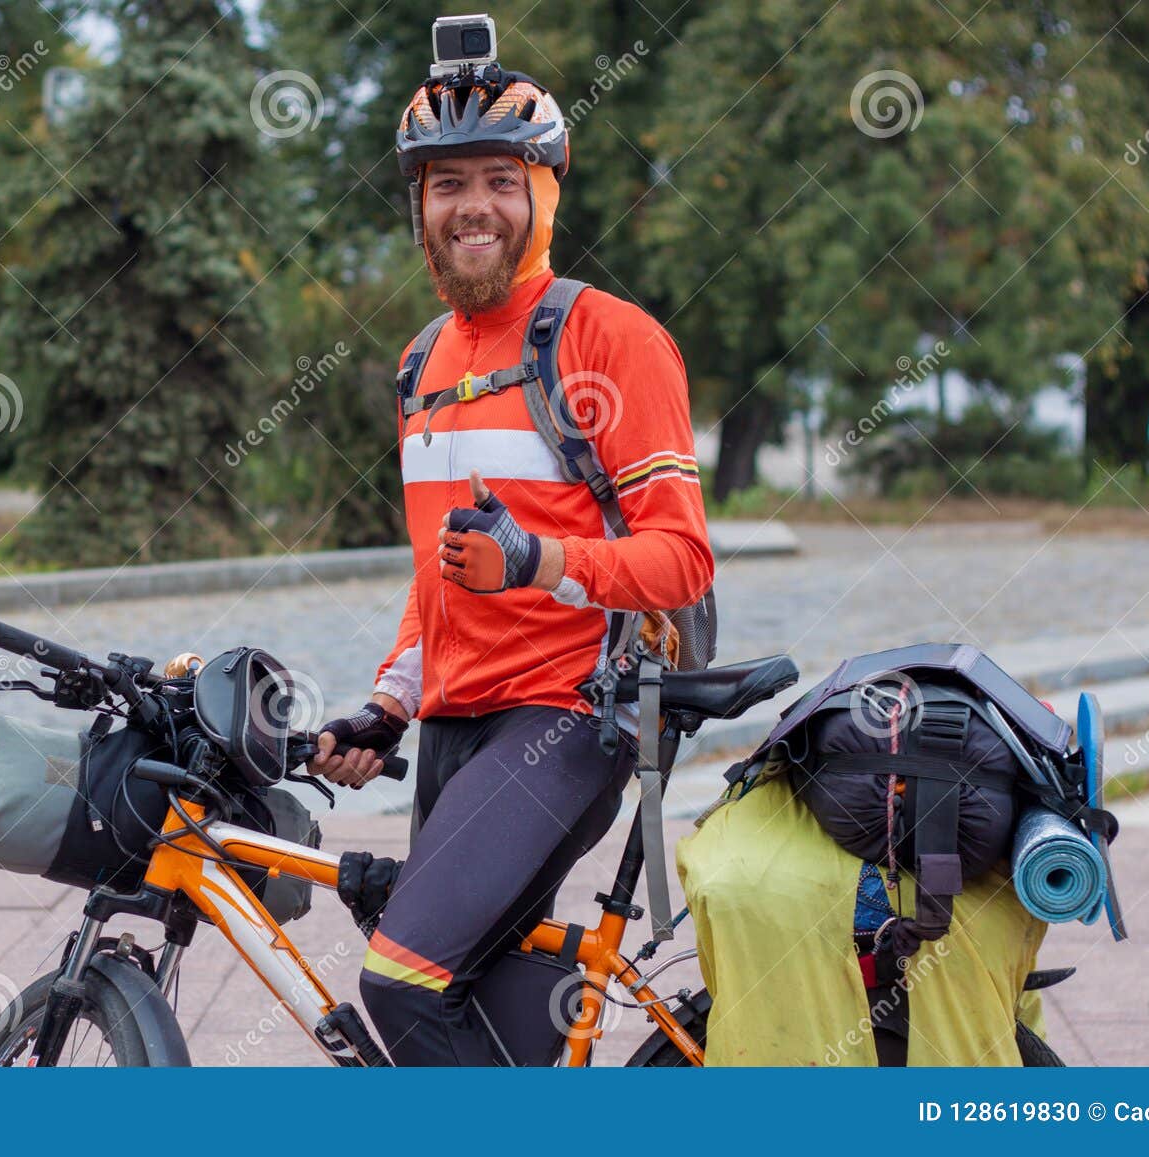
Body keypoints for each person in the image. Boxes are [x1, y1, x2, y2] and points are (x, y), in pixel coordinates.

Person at [307, 59, 713, 1066]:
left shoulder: (611, 338)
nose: (472, 206)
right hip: (453, 726)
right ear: (420, 206)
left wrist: (538, 560)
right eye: (446, 183)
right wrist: (388, 704)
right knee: (485, 999)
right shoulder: (421, 361)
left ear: (545, 193)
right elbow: (437, 572)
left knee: (400, 977)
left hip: (567, 714)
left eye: (501, 179)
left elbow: (681, 560)